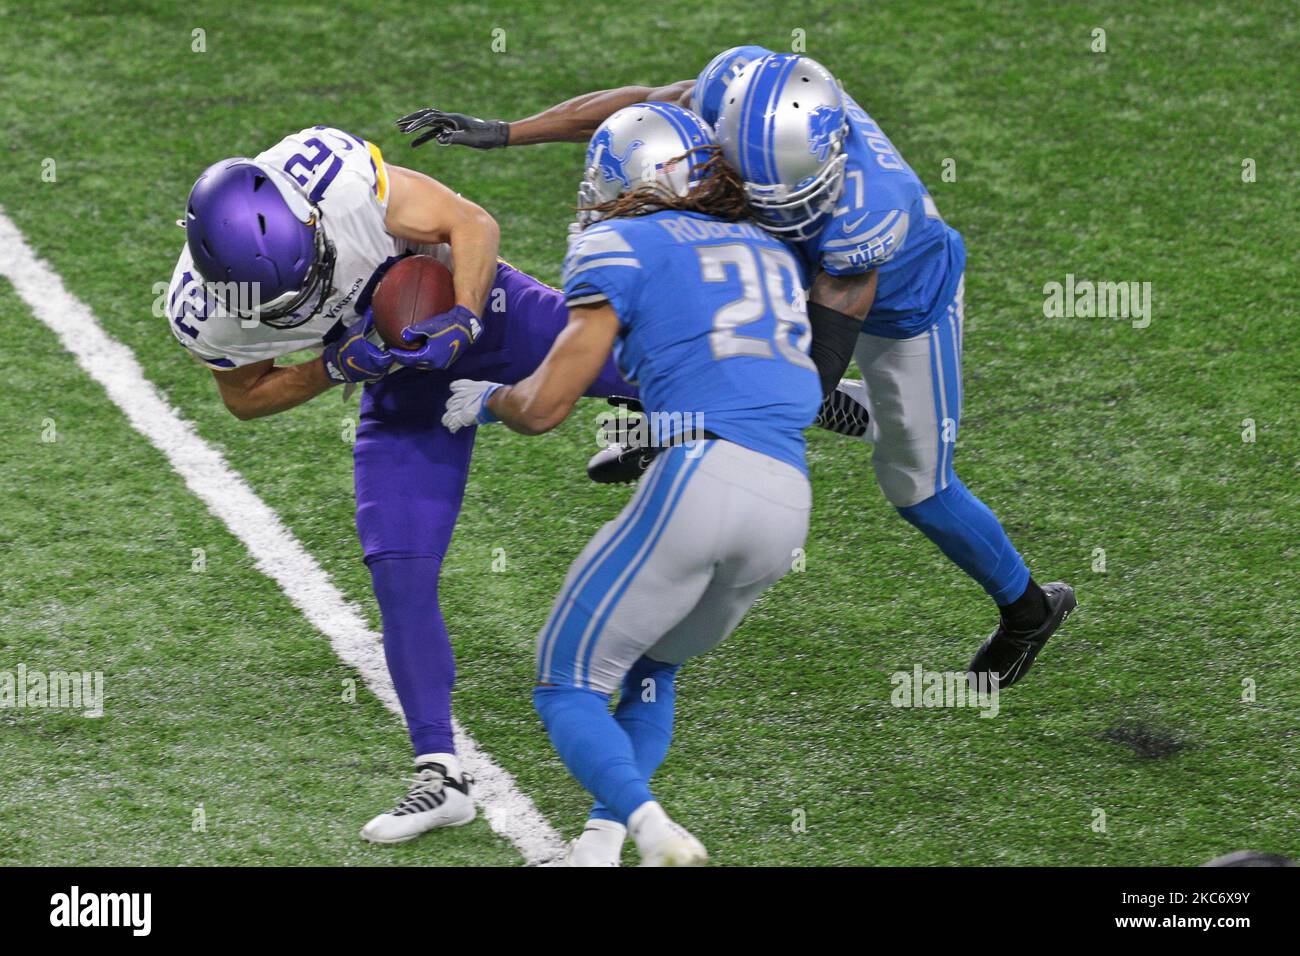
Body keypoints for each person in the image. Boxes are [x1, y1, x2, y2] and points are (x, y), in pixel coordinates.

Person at [399, 48, 1076, 689]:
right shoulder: (734, 92)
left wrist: (684, 426)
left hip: (901, 307)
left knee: (916, 485)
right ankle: (823, 413)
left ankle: (1027, 609)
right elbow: (637, 117)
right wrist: (505, 131)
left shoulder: (872, 210)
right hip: (777, 262)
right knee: (671, 295)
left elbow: (797, 381)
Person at [164, 124, 629, 845]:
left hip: (473, 315)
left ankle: (813, 391)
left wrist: (463, 319)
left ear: (309, 217)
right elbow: (244, 397)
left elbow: (469, 222)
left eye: (308, 269)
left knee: (643, 367)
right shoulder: (204, 311)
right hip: (391, 379)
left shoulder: (335, 179)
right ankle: (440, 774)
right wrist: (331, 368)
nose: (309, 292)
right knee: (398, 569)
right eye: (285, 295)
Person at [440, 103, 822, 866]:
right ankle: (598, 845)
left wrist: (489, 397)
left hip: (703, 474)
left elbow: (547, 406)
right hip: (788, 497)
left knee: (566, 682)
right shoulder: (771, 249)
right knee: (653, 666)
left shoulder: (624, 240)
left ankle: (651, 830)